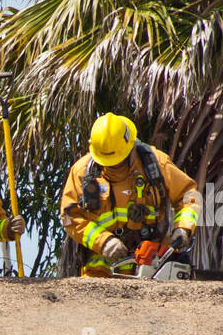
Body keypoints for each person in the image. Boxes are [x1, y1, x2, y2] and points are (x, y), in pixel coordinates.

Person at [60, 113, 200, 277]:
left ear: (131, 146)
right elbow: (69, 217)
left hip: (151, 264)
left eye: (117, 162)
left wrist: (183, 228)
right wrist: (103, 241)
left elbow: (189, 196)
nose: (113, 167)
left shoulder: (155, 164)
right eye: (107, 163)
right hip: (100, 271)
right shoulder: (82, 173)